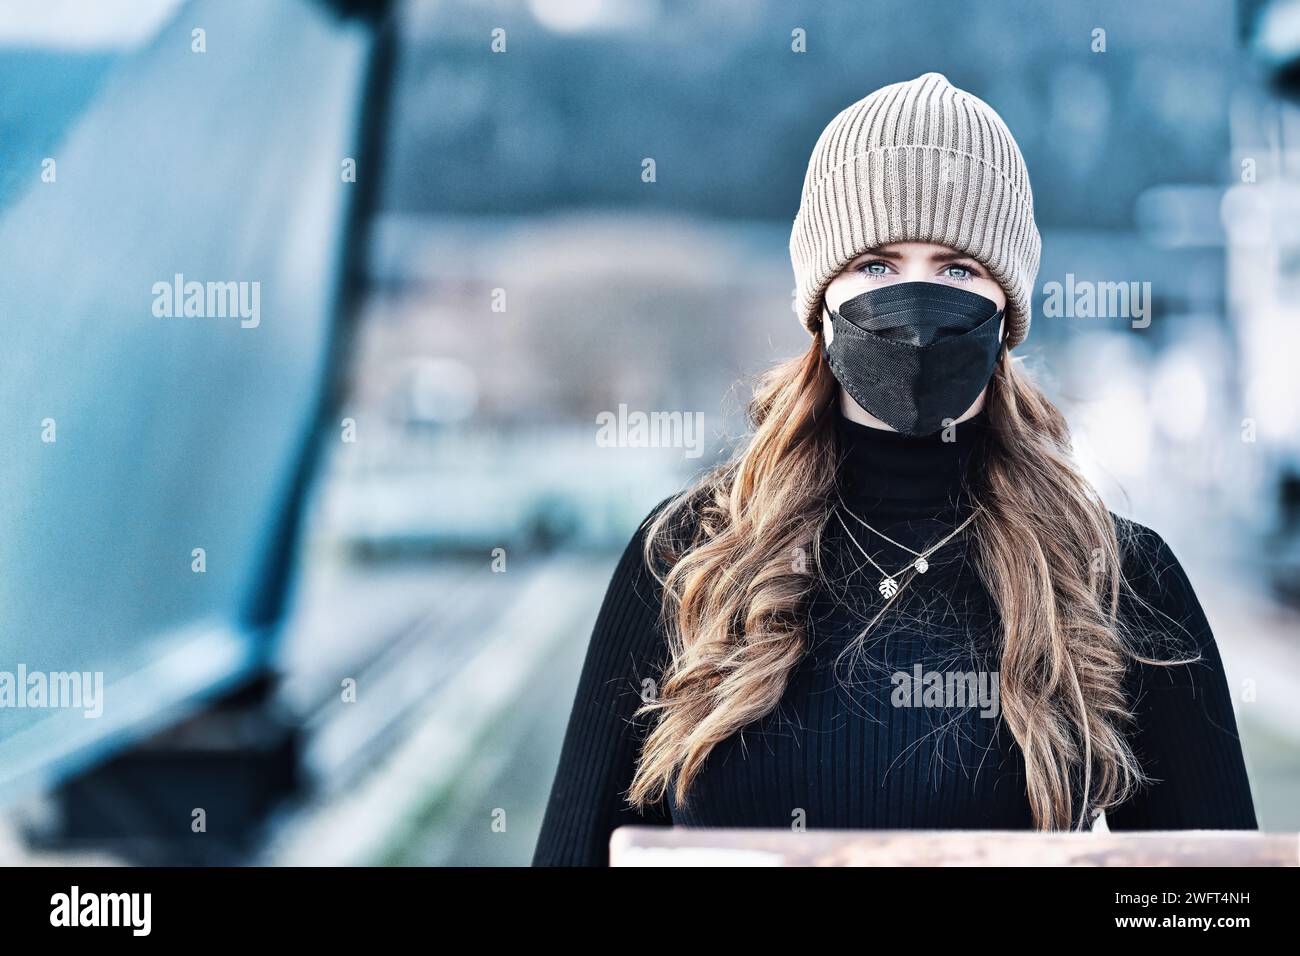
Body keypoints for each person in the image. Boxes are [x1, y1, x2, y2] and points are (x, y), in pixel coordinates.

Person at [533, 72, 1257, 867]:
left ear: (1007, 307)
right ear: (821, 296)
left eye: (956, 269)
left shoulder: (1117, 575)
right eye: (877, 264)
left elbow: (1214, 901)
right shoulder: (687, 556)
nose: (916, 298)